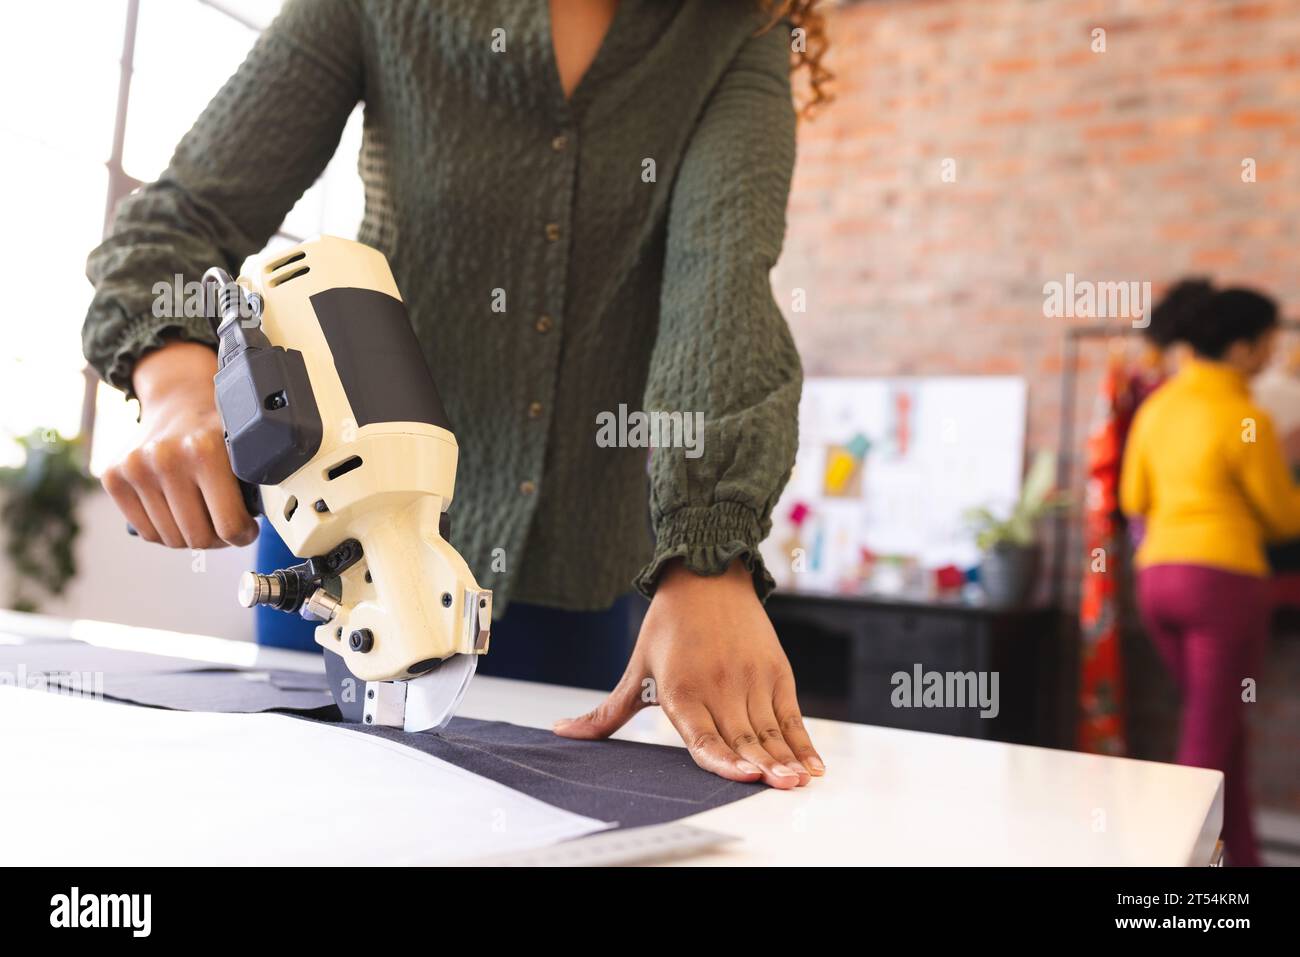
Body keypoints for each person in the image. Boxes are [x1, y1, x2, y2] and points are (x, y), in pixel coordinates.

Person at [83, 1, 832, 789]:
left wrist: (708, 554)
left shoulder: (738, 29)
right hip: (337, 549)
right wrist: (176, 384)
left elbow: (717, 291)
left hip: (578, 582)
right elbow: (177, 221)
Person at [1120, 285, 1300, 865]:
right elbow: (1280, 517)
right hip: (1223, 585)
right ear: (1243, 349)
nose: (1274, 357)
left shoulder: (1157, 407)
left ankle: (1243, 861)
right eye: (1270, 346)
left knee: (1220, 727)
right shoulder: (1245, 418)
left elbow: (1133, 497)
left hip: (1157, 583)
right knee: (1204, 743)